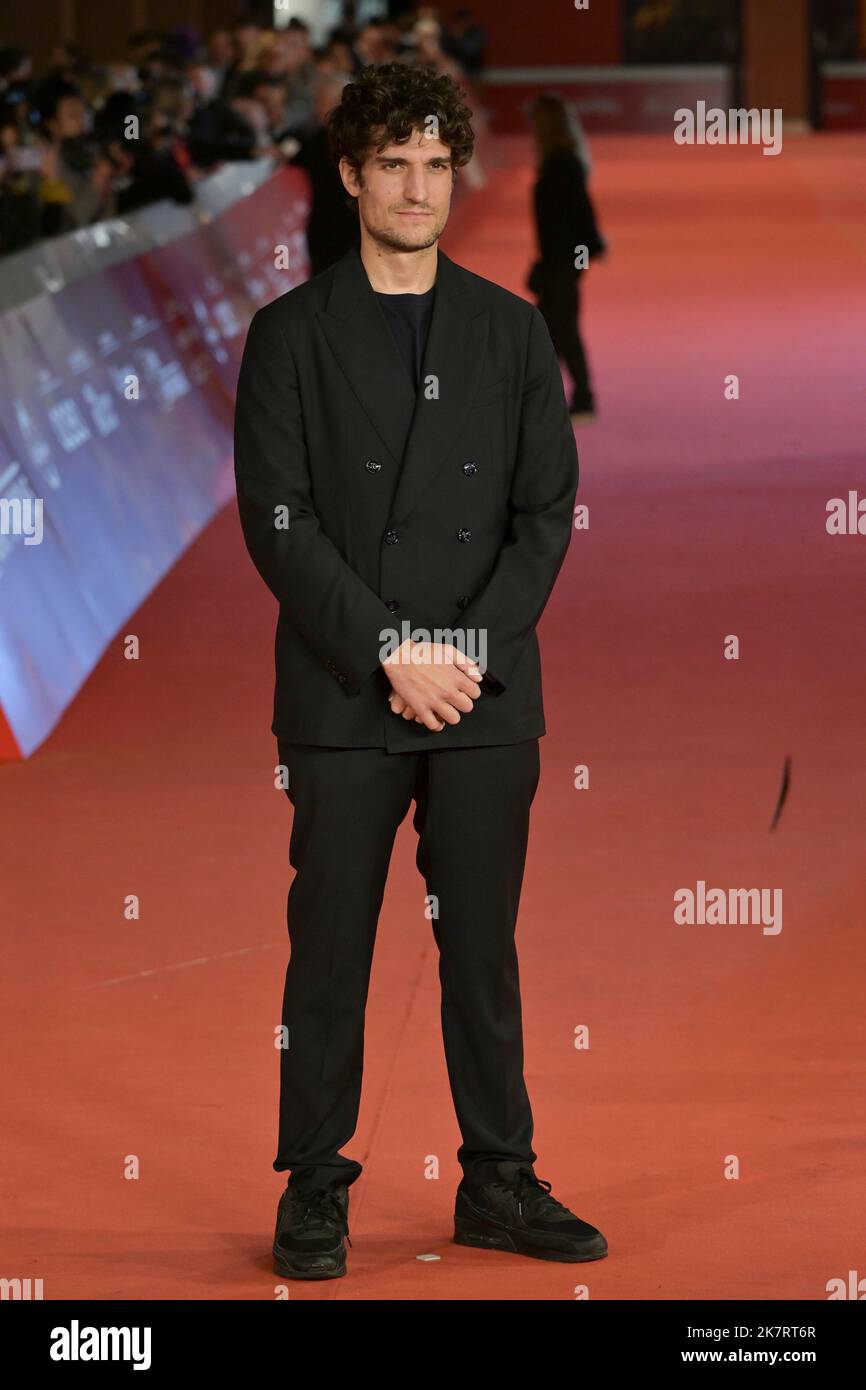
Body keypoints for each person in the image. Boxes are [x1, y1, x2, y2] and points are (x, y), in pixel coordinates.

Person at [233, 60, 608, 1281]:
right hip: (344, 692)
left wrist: (462, 656)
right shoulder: (287, 335)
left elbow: (543, 513)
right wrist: (391, 649)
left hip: (484, 695)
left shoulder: (509, 330)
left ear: (457, 171)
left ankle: (497, 1175)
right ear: (347, 175)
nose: (414, 187)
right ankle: (314, 1182)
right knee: (328, 947)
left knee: (482, 943)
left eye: (435, 164)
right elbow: (277, 518)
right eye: (390, 163)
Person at [528, 93, 606, 421]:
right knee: (547, 330)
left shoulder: (563, 163)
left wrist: (573, 267)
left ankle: (583, 396)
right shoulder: (557, 160)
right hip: (557, 262)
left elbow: (581, 216)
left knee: (561, 329)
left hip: (564, 262)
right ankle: (545, 398)